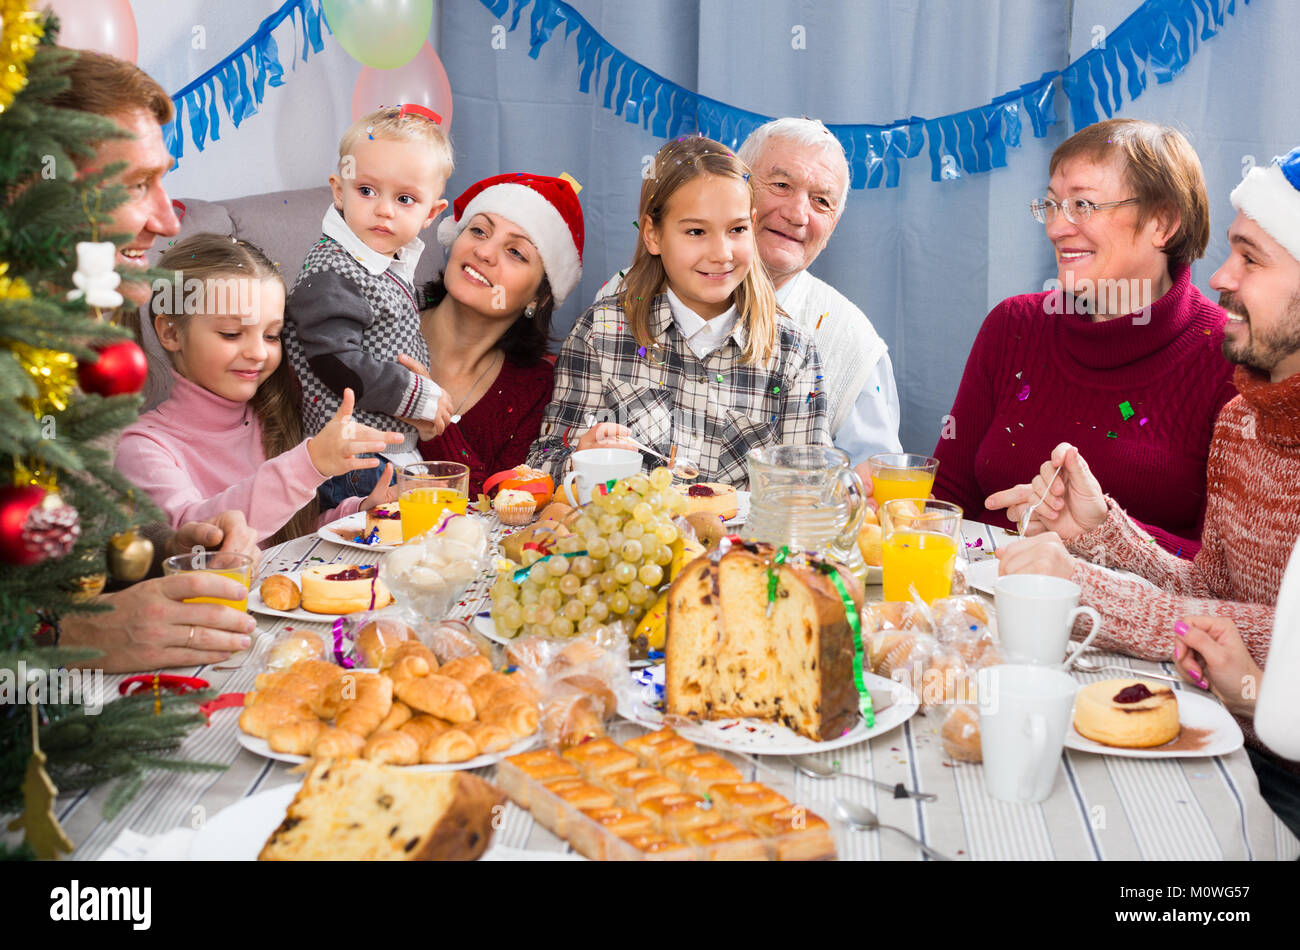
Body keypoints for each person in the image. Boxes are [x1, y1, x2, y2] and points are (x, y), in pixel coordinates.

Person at [990, 145, 1300, 775]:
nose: (1222, 277)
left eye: (1252, 260)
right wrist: (1100, 533)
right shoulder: (1246, 419)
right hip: (1226, 737)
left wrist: (1085, 587)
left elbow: (1282, 641)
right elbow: (1212, 593)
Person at [933, 119, 1236, 558]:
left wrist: (1098, 535)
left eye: (1083, 205)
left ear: (1163, 222)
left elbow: (1225, 574)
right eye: (1053, 205)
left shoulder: (1229, 356)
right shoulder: (1012, 325)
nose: (1057, 227)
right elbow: (946, 497)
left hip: (1121, 626)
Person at [45, 51, 259, 670]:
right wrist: (75, 638)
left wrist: (171, 545)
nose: (167, 221)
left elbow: (85, 517)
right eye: (136, 185)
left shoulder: (98, 320)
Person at [528, 136, 828, 487]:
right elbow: (540, 464)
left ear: (753, 223)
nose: (721, 253)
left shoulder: (793, 353)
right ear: (653, 235)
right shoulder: (601, 332)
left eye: (737, 229)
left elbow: (811, 490)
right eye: (696, 231)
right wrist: (580, 454)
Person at [598, 118, 901, 466]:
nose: (798, 214)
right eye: (781, 184)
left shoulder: (854, 344)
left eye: (821, 201)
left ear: (836, 221)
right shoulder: (623, 296)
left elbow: (876, 484)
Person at [115, 234, 404, 546]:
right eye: (232, 333)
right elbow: (198, 536)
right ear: (171, 332)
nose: (259, 352)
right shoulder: (142, 447)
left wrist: (361, 513)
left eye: (271, 335)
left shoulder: (272, 418)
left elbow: (293, 536)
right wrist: (309, 465)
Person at [282, 105, 454, 510]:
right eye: (366, 190)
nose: (384, 209)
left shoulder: (384, 262)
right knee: (370, 550)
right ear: (339, 190)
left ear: (430, 213)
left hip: (391, 450)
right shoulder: (333, 268)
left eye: (405, 199)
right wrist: (417, 396)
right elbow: (335, 360)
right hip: (351, 458)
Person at [401, 173, 575, 497]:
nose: (484, 252)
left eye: (516, 252)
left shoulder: (537, 390)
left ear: (539, 298)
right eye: (478, 230)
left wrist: (433, 426)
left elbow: (501, 507)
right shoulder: (380, 323)